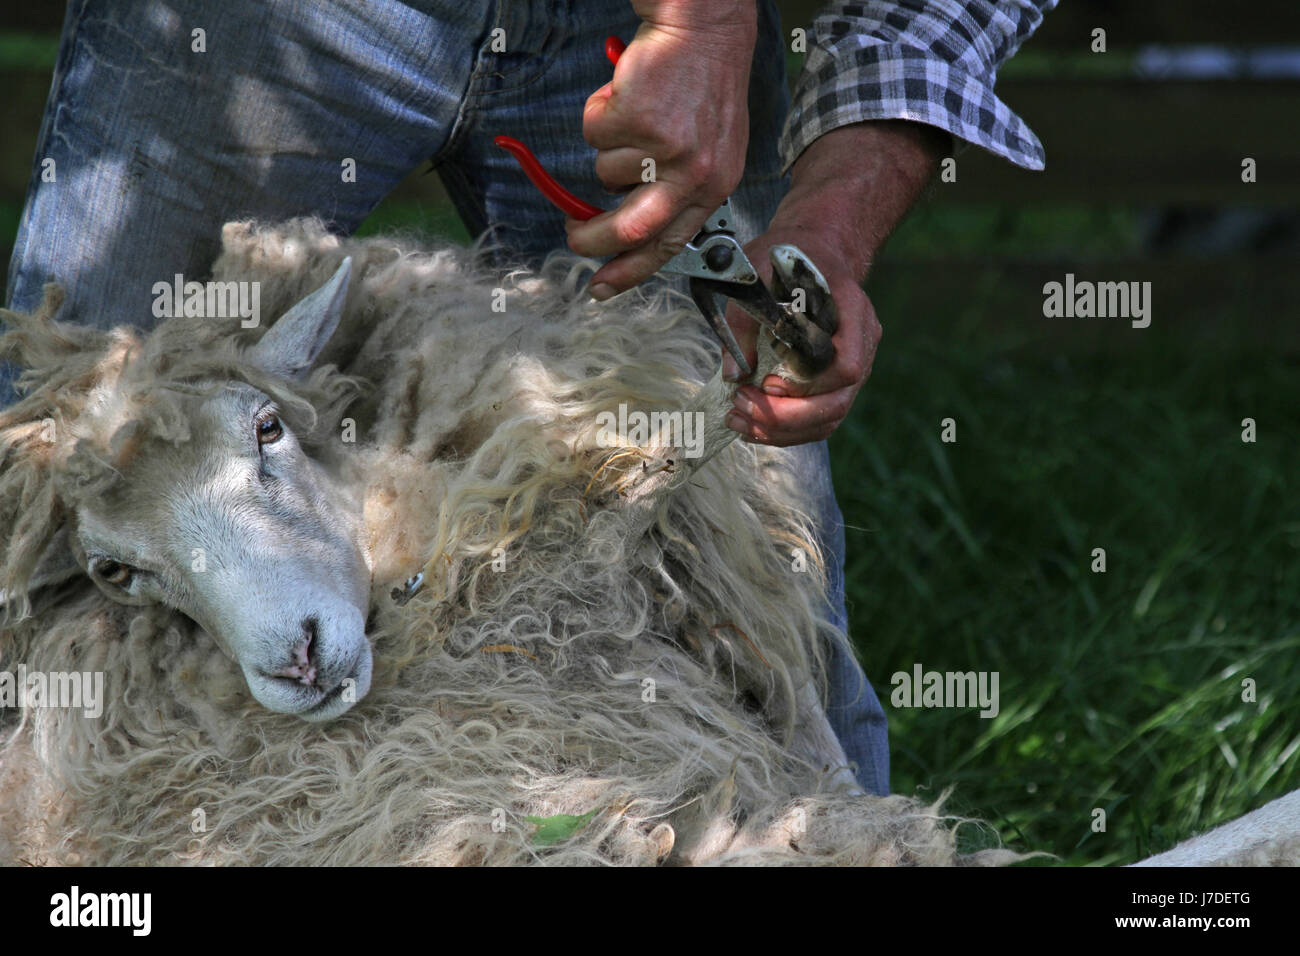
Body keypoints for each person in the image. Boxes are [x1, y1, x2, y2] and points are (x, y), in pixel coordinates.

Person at [1, 0, 1055, 795]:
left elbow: (936, 18)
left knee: (755, 577)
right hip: (267, 26)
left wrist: (827, 225)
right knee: (79, 462)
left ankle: (821, 836)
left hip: (619, 45)